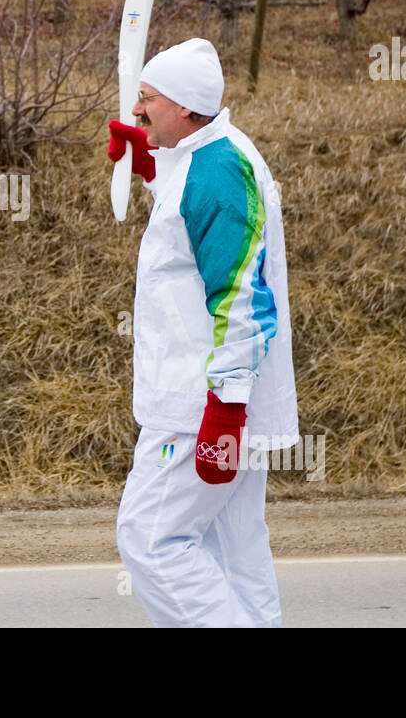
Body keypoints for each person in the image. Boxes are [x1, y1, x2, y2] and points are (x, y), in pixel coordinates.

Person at [106, 37, 298, 628]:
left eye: (147, 101)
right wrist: (149, 165)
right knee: (231, 549)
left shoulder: (217, 176)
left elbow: (241, 300)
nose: (136, 111)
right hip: (212, 394)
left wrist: (226, 409)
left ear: (186, 107)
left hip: (201, 402)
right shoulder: (211, 153)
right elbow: (188, 203)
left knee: (151, 540)